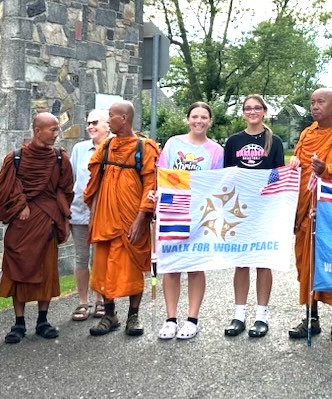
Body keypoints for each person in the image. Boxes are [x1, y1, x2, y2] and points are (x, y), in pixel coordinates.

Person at [287, 88, 332, 344]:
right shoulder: (306, 134)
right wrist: (295, 163)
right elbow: (298, 163)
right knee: (307, 264)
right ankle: (311, 317)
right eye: (312, 102)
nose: (315, 106)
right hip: (307, 210)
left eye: (321, 102)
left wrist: (327, 168)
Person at [0, 112, 74, 344]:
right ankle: (18, 322)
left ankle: (43, 320)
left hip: (47, 220)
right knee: (17, 270)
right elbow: (2, 190)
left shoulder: (60, 158)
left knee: (46, 271)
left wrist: (63, 217)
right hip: (22, 225)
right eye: (53, 130)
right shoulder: (15, 158)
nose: (57, 134)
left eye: (58, 129)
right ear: (37, 131)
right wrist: (19, 205)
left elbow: (66, 189)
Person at [83, 100, 159, 338]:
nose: (108, 120)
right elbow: (93, 183)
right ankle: (109, 314)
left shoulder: (144, 148)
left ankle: (133, 316)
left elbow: (151, 184)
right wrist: (94, 214)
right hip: (106, 219)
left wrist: (141, 218)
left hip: (132, 219)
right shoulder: (105, 147)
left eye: (111, 116)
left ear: (123, 119)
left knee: (134, 267)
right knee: (105, 267)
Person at [156, 101, 224, 340]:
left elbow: (217, 182)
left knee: (196, 266)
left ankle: (192, 319)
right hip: (173, 209)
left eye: (204, 117)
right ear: (187, 119)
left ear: (209, 121)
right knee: (172, 265)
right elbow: (161, 174)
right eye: (194, 116)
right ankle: (170, 318)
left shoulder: (216, 150)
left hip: (199, 213)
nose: (199, 121)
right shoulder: (174, 144)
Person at [222, 94, 284, 338]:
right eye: (248, 108)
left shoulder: (275, 141)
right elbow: (226, 176)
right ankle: (239, 315)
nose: (252, 112)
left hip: (265, 207)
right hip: (240, 208)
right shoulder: (234, 141)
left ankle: (261, 315)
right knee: (241, 262)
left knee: (263, 261)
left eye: (257, 108)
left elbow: (278, 176)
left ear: (264, 111)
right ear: (243, 112)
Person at [69, 109, 110, 321]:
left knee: (101, 259)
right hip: (79, 211)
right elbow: (73, 179)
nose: (91, 127)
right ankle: (82, 302)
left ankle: (101, 300)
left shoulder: (114, 148)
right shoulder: (79, 149)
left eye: (95, 123)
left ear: (107, 125)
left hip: (105, 214)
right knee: (81, 258)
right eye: (88, 123)